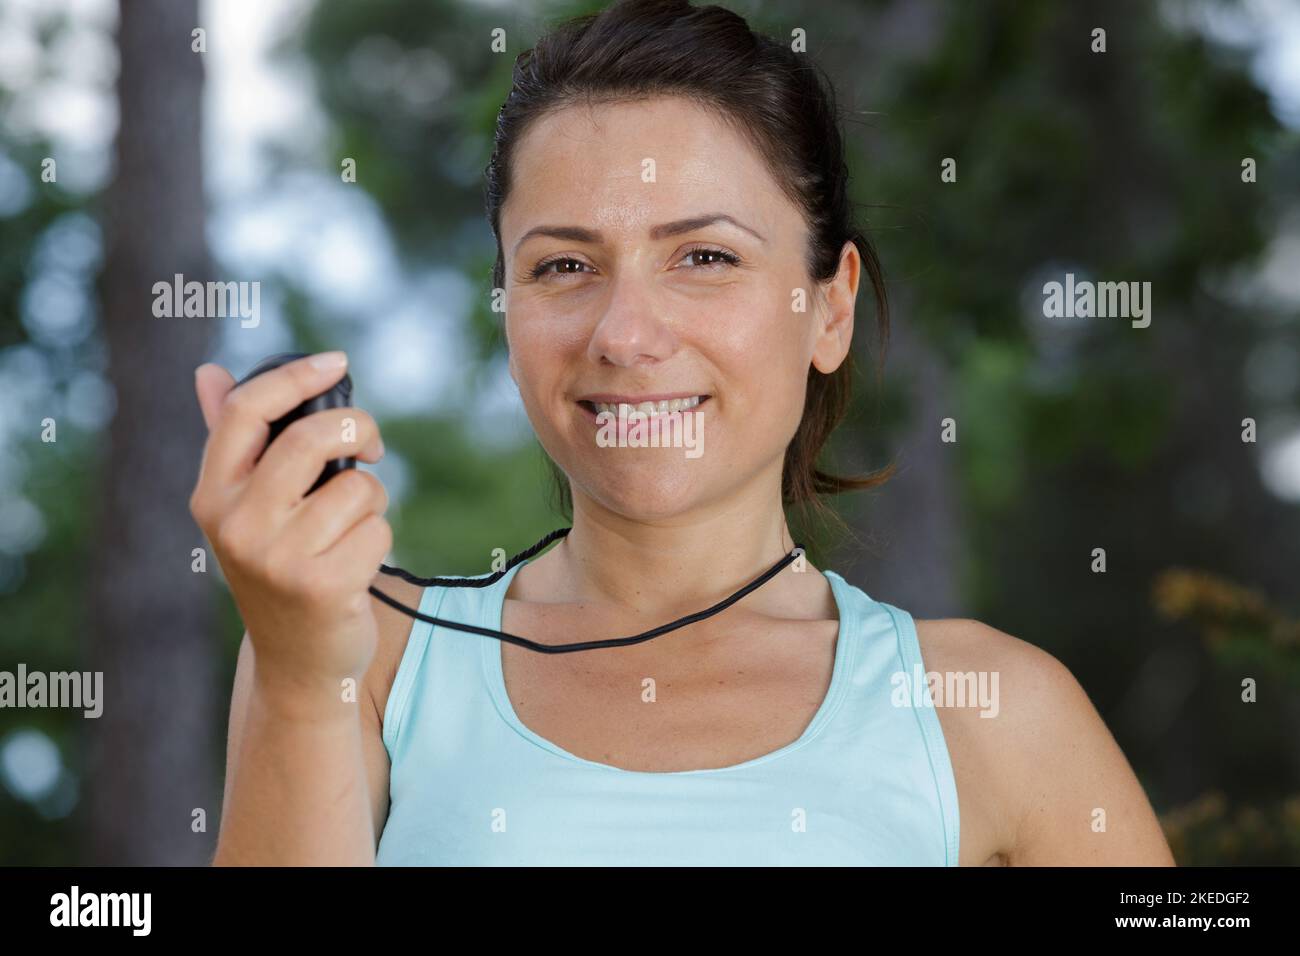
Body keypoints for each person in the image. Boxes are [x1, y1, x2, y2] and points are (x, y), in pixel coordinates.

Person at [188, 0, 1175, 866]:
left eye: (702, 254)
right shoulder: (362, 651)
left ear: (829, 310)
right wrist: (298, 670)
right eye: (564, 267)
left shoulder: (993, 707)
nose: (624, 335)